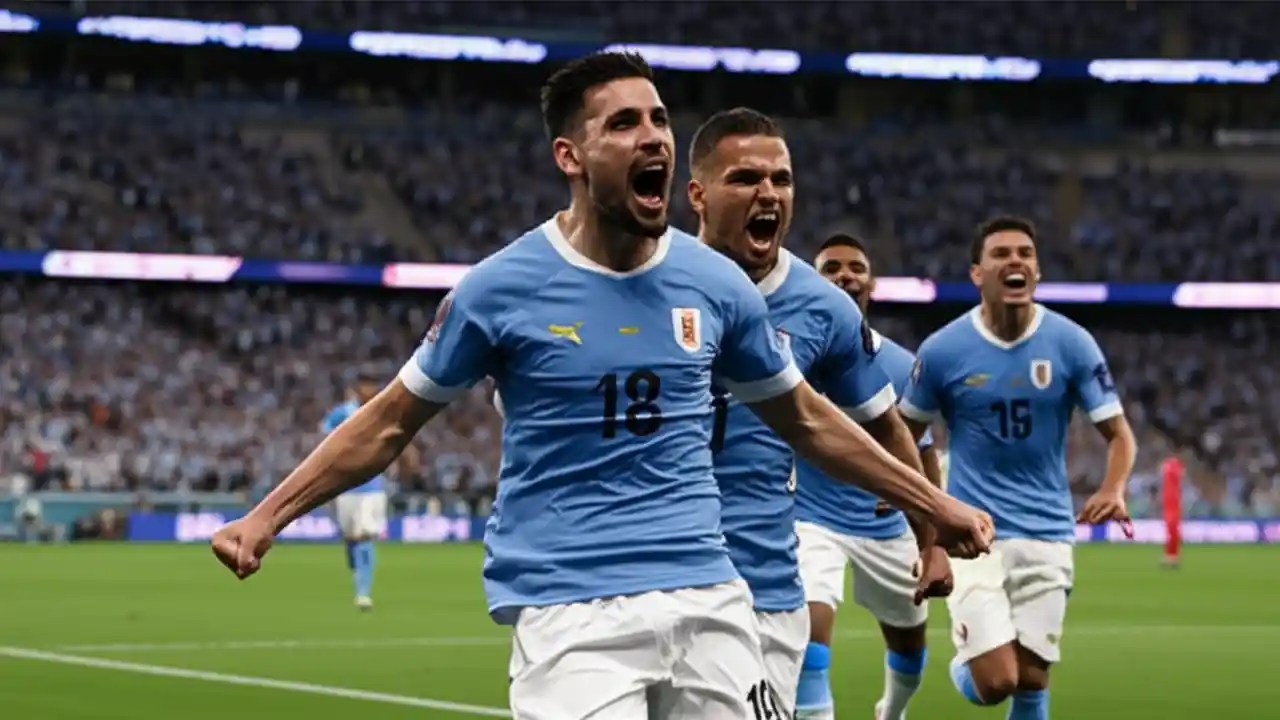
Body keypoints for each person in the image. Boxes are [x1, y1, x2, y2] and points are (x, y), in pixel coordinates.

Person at [211, 52, 993, 719]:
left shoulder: (717, 287)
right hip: (570, 604)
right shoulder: (501, 289)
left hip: (709, 594)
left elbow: (809, 421)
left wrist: (934, 504)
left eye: (658, 120)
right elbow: (387, 423)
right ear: (570, 156)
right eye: (622, 124)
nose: (652, 135)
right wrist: (265, 517)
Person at [687, 109, 939, 718]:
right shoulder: (654, 277)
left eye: (782, 179)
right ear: (697, 193)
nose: (768, 193)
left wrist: (931, 528)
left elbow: (891, 429)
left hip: (767, 572)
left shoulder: (823, 312)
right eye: (747, 178)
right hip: (663, 568)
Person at [898, 216, 1137, 720]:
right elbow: (903, 430)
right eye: (1001, 253)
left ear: (1037, 271)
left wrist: (1114, 486)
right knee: (997, 680)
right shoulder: (943, 350)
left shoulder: (1071, 344)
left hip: (1048, 531)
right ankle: (968, 659)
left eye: (1025, 254)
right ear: (977, 273)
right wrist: (922, 514)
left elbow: (1119, 435)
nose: (1015, 261)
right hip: (972, 534)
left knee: (1032, 679)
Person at [793, 234, 951, 720]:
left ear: (871, 283)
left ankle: (892, 712)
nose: (845, 275)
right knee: (809, 638)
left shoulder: (903, 366)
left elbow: (922, 454)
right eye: (831, 267)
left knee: (909, 642)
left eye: (855, 267)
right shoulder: (789, 351)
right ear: (814, 283)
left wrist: (934, 543)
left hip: (883, 522)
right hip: (808, 518)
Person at [320, 374, 390, 610]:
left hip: (371, 488)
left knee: (365, 537)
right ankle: (357, 571)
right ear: (356, 389)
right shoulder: (344, 412)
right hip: (346, 486)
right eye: (366, 386)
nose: (370, 390)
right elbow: (325, 433)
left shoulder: (382, 410)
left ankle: (363, 593)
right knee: (351, 540)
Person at [1161, 450, 1184, 568]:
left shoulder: (1174, 465)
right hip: (1169, 502)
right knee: (1171, 530)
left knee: (1173, 530)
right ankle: (1171, 556)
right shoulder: (1169, 465)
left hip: (1173, 501)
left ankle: (1172, 557)